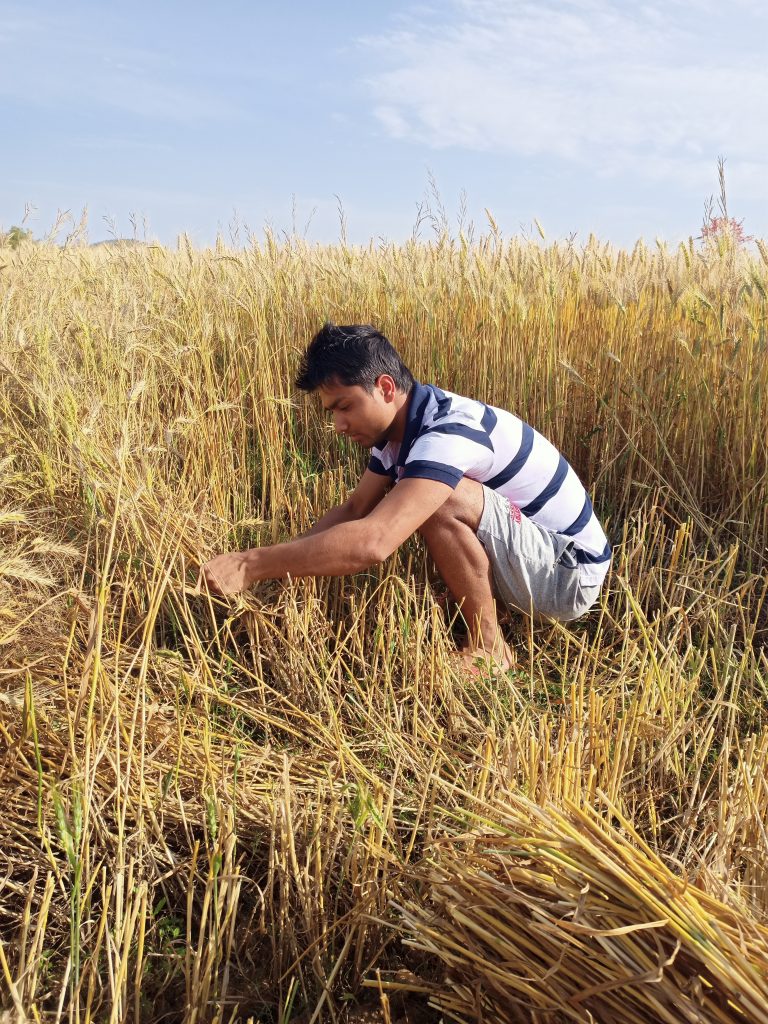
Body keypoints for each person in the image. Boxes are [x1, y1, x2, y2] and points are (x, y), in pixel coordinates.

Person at [200, 324, 611, 671]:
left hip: (568, 572)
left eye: (345, 406)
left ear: (384, 387)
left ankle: (490, 648)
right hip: (534, 555)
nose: (339, 425)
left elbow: (374, 541)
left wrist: (250, 564)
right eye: (331, 413)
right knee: (419, 496)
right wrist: (281, 572)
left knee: (439, 500)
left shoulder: (448, 431)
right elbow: (354, 509)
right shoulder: (397, 435)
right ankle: (489, 609)